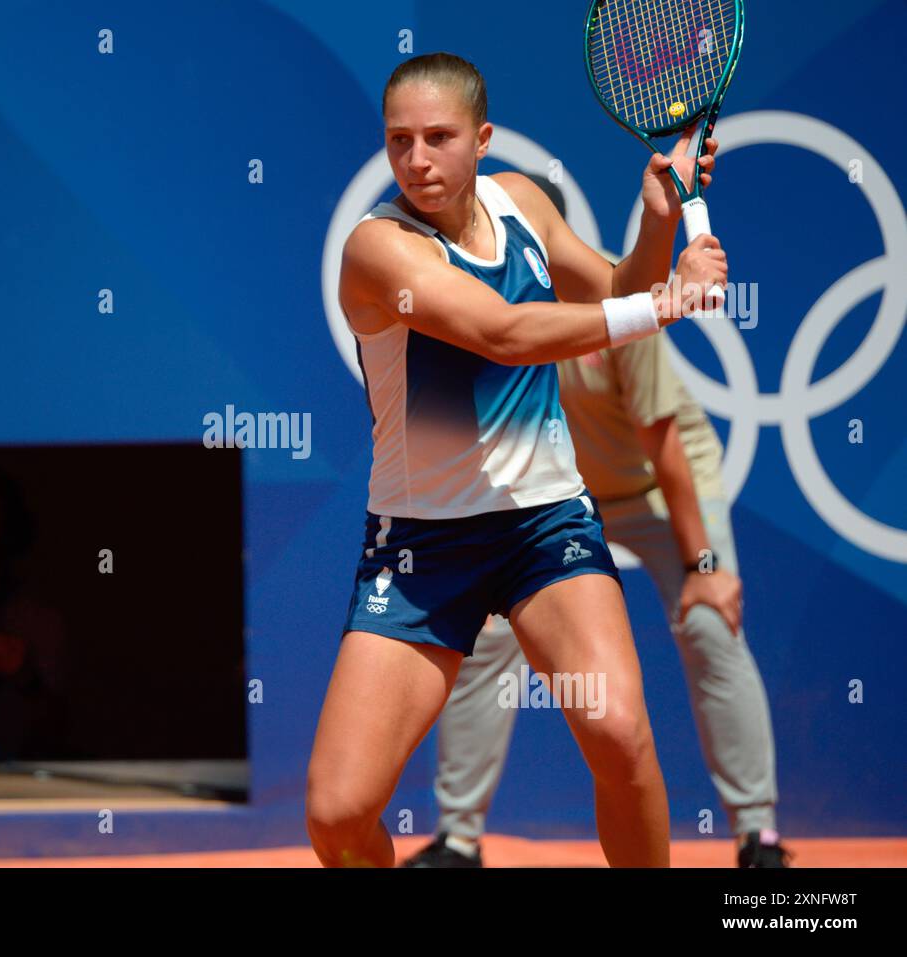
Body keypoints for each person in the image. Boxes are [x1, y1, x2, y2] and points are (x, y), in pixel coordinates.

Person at [306, 51, 726, 867]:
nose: (417, 160)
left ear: (483, 138)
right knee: (337, 811)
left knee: (619, 731)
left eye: (438, 137)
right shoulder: (379, 250)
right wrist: (666, 301)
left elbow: (606, 290)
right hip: (422, 546)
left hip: (544, 524)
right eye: (399, 141)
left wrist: (658, 223)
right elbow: (500, 331)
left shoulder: (523, 203)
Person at [402, 180, 788, 869]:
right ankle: (458, 840)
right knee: (486, 639)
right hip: (558, 497)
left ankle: (756, 833)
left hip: (658, 489)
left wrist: (704, 567)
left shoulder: (615, 308)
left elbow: (663, 441)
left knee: (708, 621)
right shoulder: (482, 304)